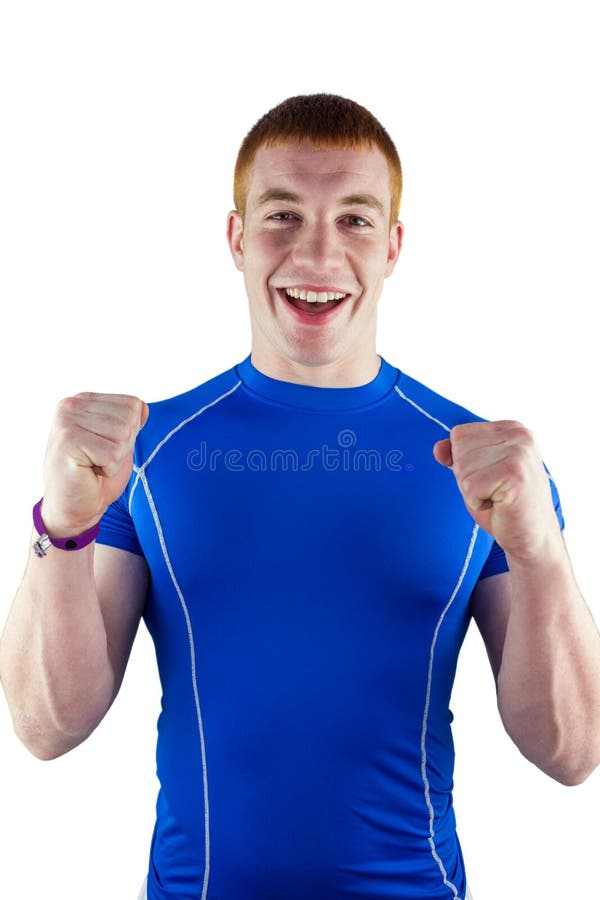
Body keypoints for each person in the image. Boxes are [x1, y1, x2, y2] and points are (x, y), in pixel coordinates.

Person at [1, 94, 599, 900]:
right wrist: (62, 524)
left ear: (392, 247)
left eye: (354, 220)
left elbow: (572, 752)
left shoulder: (487, 472)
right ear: (237, 238)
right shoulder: (141, 456)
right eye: (283, 215)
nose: (318, 253)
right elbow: (46, 727)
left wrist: (542, 551)